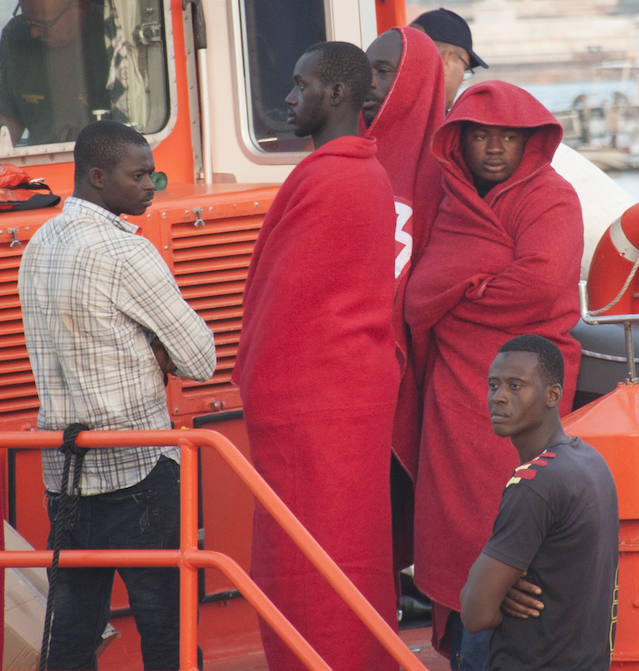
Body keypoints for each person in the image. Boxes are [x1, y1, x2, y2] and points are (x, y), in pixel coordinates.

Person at [17, 119, 216, 670]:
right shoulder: (129, 253)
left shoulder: (39, 245)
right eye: (139, 175)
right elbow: (200, 358)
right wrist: (159, 348)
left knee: (71, 631)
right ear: (98, 177)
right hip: (139, 471)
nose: (152, 184)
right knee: (169, 630)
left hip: (67, 473)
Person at [405, 79, 584, 668]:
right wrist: (463, 290)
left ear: (530, 142)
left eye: (508, 137)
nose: (494, 149)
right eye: (480, 136)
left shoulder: (550, 196)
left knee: (515, 502)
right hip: (457, 386)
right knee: (455, 509)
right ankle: (467, 644)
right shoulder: (450, 200)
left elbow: (540, 284)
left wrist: (457, 304)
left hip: (524, 383)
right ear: (459, 141)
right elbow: (421, 287)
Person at [232, 41, 399, 671]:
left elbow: (292, 308)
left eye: (300, 85)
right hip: (342, 398)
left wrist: (259, 382)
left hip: (317, 406)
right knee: (338, 552)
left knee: (311, 560)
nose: (288, 97)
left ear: (335, 95)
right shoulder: (356, 172)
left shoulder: (336, 176)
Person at [460, 335, 619, 670]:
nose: (499, 398)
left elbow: (475, 613)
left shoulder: (535, 482)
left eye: (515, 386)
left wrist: (494, 593)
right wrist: (501, 590)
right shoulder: (591, 460)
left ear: (553, 395)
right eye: (493, 385)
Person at [362, 26, 445, 579]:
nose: (370, 82)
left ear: (415, 81)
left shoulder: (447, 166)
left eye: (385, 71)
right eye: (367, 68)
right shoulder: (351, 155)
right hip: (363, 371)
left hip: (422, 371)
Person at [0, 0, 110, 145]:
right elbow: (8, 119)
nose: (34, 33)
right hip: (43, 160)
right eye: (29, 22)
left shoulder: (111, 39)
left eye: (44, 24)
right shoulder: (16, 37)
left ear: (80, 9)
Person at [409, 7, 489, 111]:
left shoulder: (386, 104)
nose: (462, 80)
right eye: (465, 68)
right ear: (446, 60)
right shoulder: (440, 124)